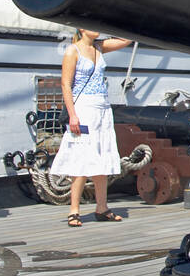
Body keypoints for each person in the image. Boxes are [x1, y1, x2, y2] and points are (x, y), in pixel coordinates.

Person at [50, 29, 133, 226]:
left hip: (102, 107)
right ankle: (74, 210)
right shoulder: (73, 51)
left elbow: (127, 38)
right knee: (82, 157)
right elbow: (65, 84)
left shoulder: (99, 48)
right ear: (81, 28)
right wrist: (72, 115)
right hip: (84, 107)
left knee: (102, 155)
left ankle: (102, 207)